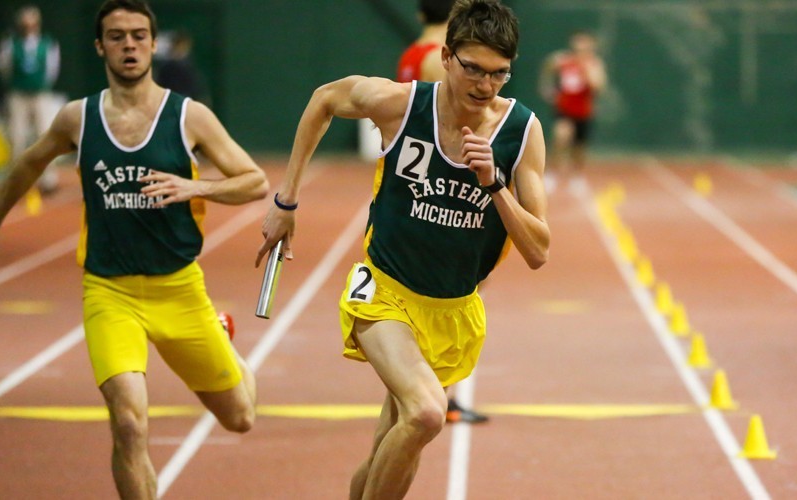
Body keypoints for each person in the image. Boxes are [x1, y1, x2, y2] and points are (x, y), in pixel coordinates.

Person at [0, 1, 268, 498]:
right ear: (99, 46)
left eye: (137, 35)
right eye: (117, 36)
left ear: (153, 43)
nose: (129, 45)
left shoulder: (188, 116)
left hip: (179, 290)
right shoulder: (77, 118)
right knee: (129, 423)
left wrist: (196, 188)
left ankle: (227, 347)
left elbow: (254, 181)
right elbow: (27, 164)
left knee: (240, 417)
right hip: (110, 293)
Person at [257, 0, 549, 497]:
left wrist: (495, 184)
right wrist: (286, 200)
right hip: (385, 293)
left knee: (389, 455)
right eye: (473, 69)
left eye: (499, 74)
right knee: (427, 413)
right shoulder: (402, 104)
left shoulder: (521, 131)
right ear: (448, 56)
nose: (484, 86)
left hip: (453, 310)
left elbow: (538, 249)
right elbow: (325, 99)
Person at [397, 0, 489, 426]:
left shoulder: (410, 56)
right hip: (442, 194)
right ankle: (441, 397)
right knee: (454, 294)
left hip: (407, 186)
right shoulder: (441, 62)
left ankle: (419, 393)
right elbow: (451, 127)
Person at [0, 5, 63, 194]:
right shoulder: (10, 43)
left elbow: (52, 70)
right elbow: (6, 69)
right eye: (25, 24)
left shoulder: (48, 43)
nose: (29, 27)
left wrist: (40, 85)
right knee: (17, 137)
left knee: (45, 135)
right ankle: (17, 182)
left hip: (40, 94)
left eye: (32, 23)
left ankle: (48, 180)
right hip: (18, 95)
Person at [539, 31, 606, 194]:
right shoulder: (562, 60)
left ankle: (577, 176)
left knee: (579, 148)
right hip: (564, 110)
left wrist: (586, 71)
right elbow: (547, 66)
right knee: (560, 138)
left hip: (583, 112)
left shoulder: (594, 64)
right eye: (578, 46)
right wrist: (546, 88)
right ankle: (551, 174)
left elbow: (598, 87)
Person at [156, 30, 210, 106]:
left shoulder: (188, 66)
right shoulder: (166, 67)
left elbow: (196, 88)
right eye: (181, 45)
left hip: (187, 103)